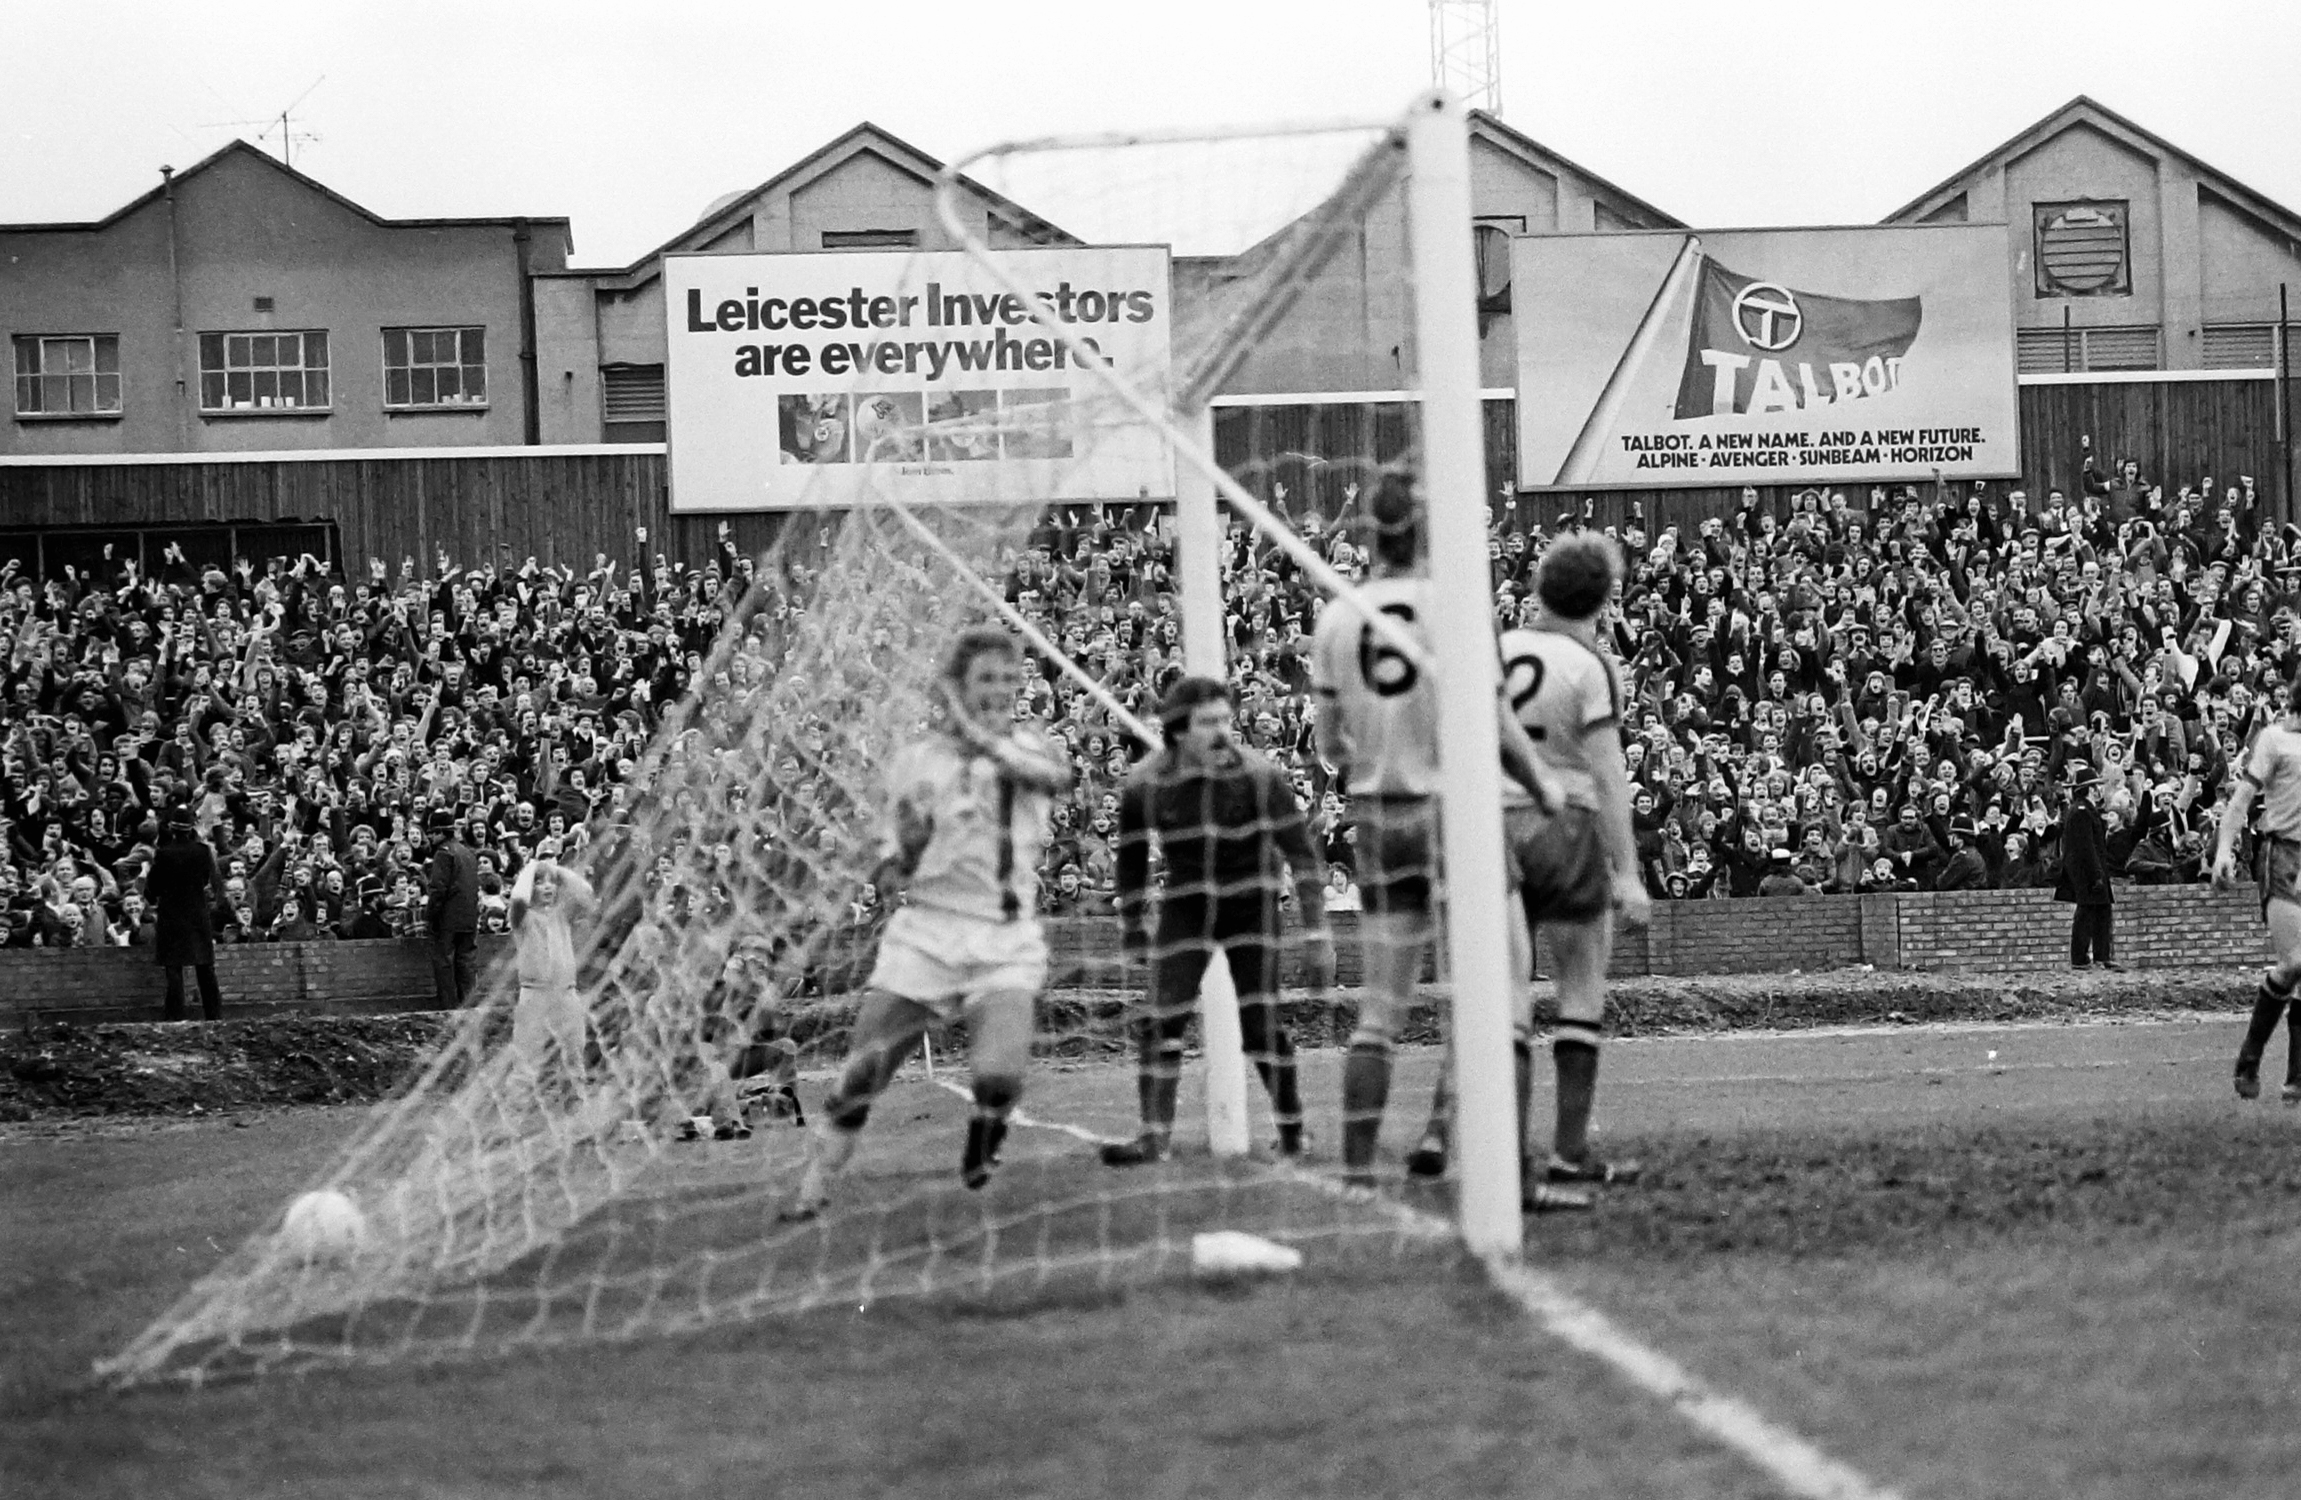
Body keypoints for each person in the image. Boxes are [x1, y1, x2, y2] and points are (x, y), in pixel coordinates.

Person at [1307, 475, 1552, 1197]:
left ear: (1367, 536)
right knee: (1504, 987)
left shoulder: (1336, 618)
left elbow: (1328, 744)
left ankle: (1354, 1172)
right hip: (1456, 813)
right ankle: (1506, 1171)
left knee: (1380, 1007)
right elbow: (1497, 722)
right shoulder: (1454, 607)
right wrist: (1542, 784)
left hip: (1380, 817)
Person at [785, 627, 1071, 1220]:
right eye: (985, 678)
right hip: (925, 934)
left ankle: (985, 1135)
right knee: (861, 1076)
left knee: (998, 1078)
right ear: (958, 686)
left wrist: (976, 739)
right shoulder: (917, 763)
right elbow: (890, 872)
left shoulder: (1033, 748)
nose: (998, 690)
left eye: (1007, 678)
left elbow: (1052, 781)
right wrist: (906, 853)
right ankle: (812, 1190)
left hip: (1002, 938)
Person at [1101, 674, 1335, 1167]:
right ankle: (1153, 1138)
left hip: (1253, 904)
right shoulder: (1146, 782)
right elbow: (1131, 858)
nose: (1222, 731)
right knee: (1162, 1020)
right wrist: (1132, 925)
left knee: (1260, 1027)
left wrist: (1317, 935)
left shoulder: (1258, 774)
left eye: (1225, 719)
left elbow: (1303, 855)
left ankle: (1293, 1132)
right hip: (1187, 905)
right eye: (1208, 722)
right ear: (1178, 730)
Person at [2214, 673, 2301, 1101]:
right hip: (2282, 855)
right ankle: (2250, 1055)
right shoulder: (2274, 740)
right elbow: (2240, 801)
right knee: (2297, 962)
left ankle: (2296, 1080)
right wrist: (2223, 852)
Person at [508, 857, 597, 1079]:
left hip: (566, 993)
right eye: (540, 882)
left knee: (575, 1057)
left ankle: (577, 1105)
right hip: (533, 994)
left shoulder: (562, 913)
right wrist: (531, 867)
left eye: (551, 882)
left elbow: (586, 892)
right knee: (526, 1061)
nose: (547, 886)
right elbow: (518, 897)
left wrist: (556, 869)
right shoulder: (522, 917)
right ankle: (519, 1109)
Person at [147, 805, 228, 1021]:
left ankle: (175, 1017)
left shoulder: (163, 853)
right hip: (197, 913)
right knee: (205, 967)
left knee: (174, 968)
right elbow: (205, 880)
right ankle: (214, 1015)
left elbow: (152, 888)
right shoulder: (202, 851)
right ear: (192, 827)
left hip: (171, 915)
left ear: (172, 828)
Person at [2055, 767, 2119, 969]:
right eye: (2097, 786)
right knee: (2086, 912)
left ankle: (2102, 955)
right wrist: (2096, 874)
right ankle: (2080, 958)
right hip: (2087, 873)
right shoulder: (2081, 811)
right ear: (2090, 789)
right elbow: (2086, 847)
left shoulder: (2086, 810)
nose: (2100, 790)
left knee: (2101, 911)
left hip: (2092, 871)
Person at [425, 810, 482, 1007]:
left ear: (441, 832)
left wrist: (430, 916)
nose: (430, 837)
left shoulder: (443, 853)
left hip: (447, 919)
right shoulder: (468, 853)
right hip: (469, 918)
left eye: (432, 832)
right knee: (466, 963)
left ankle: (448, 1009)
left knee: (444, 963)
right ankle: (470, 1007)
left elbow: (438, 889)